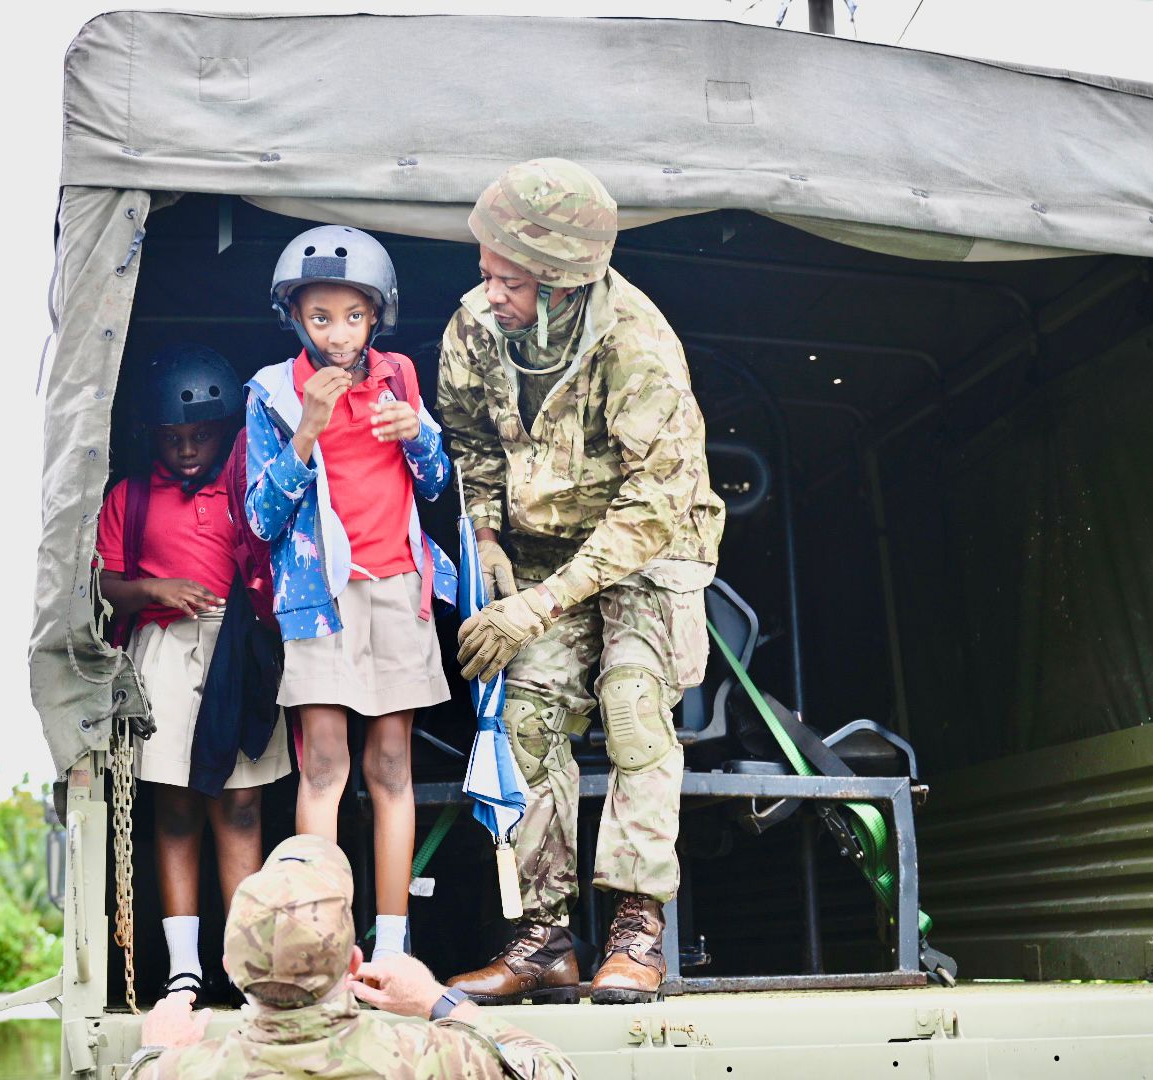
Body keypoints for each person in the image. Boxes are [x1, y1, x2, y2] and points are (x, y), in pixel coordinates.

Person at [436, 159, 726, 1005]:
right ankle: (543, 940)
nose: (489, 291)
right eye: (485, 271)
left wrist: (536, 604)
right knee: (525, 714)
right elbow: (468, 439)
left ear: (561, 285)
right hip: (541, 552)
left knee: (633, 706)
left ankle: (637, 929)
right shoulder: (475, 326)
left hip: (652, 547)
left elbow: (653, 505)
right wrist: (485, 534)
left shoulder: (637, 343)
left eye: (509, 280)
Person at [243, 225, 456, 961]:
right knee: (325, 766)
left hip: (398, 586)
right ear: (295, 318)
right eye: (321, 317)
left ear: (377, 316)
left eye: (353, 316)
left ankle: (394, 949)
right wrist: (306, 432)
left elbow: (435, 486)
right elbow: (261, 518)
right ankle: (322, 945)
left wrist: (419, 436)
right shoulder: (271, 393)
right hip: (317, 600)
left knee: (391, 767)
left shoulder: (398, 376)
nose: (338, 333)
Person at [96, 344, 292, 1001]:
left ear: (226, 432)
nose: (186, 450)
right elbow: (104, 586)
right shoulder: (131, 497)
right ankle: (185, 966)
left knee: (240, 807)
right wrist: (157, 590)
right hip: (165, 655)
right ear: (151, 435)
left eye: (200, 436)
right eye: (173, 438)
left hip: (238, 655)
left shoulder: (245, 486)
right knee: (175, 809)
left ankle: (242, 962)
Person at [126, 834, 579, 1080]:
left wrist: (155, 1054)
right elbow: (555, 1071)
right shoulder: (431, 1058)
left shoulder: (184, 1072)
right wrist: (438, 1000)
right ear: (353, 963)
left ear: (229, 967)